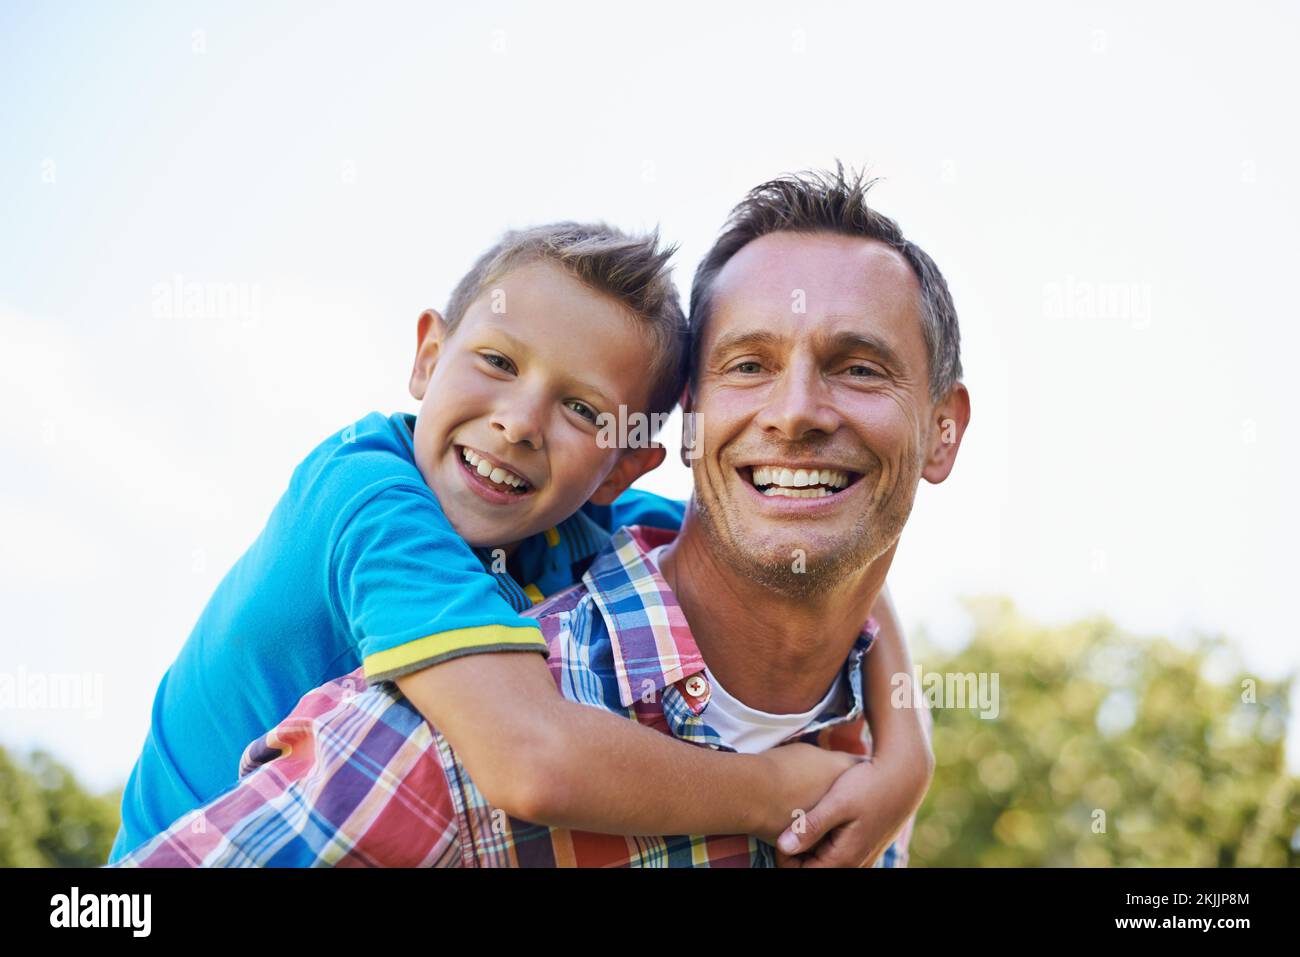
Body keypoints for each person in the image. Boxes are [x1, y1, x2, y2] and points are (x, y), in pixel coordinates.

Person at [114, 164, 968, 867]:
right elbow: (532, 759)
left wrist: (903, 757)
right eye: (495, 361)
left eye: (584, 412)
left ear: (625, 460)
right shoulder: (368, 496)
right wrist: (784, 789)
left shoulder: (575, 521)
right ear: (426, 354)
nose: (520, 422)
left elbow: (801, 537)